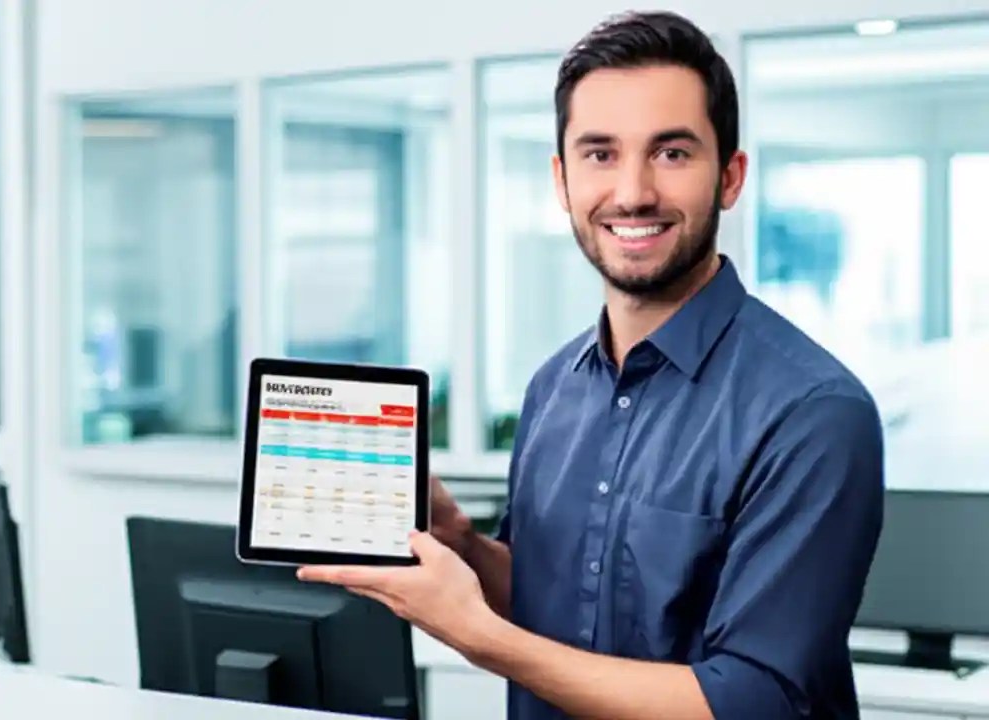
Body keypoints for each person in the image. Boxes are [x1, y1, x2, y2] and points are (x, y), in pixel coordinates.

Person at [299, 11, 885, 720]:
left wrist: (480, 638)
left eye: (671, 153)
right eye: (600, 154)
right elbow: (560, 599)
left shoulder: (813, 412)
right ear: (562, 179)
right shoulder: (553, 388)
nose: (632, 192)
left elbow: (755, 699)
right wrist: (461, 544)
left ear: (730, 177)